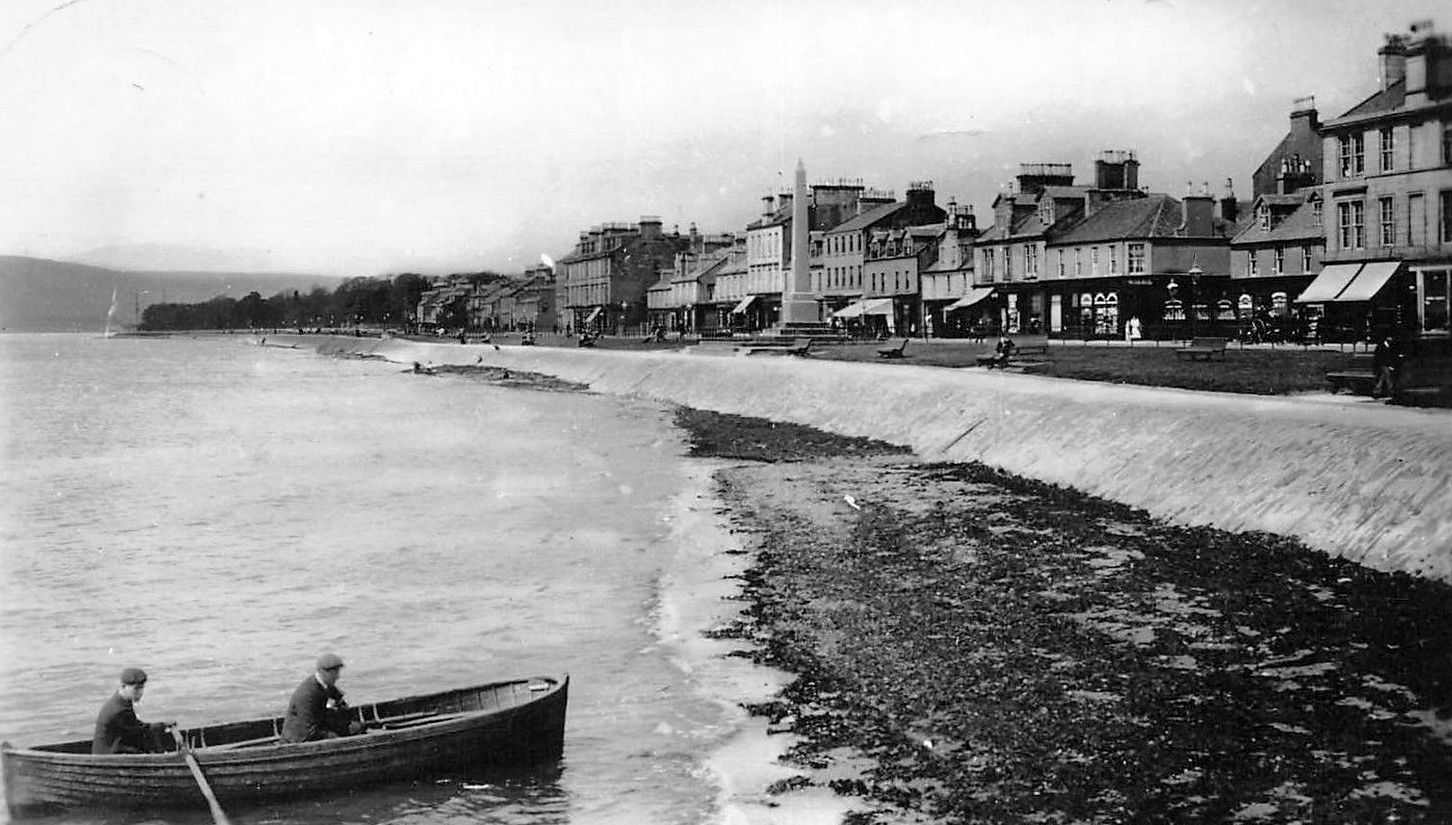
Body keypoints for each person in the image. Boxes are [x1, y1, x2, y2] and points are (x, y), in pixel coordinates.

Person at [280, 653, 365, 743]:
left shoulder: (328, 687)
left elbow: (341, 708)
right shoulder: (307, 694)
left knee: (357, 728)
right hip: (299, 738)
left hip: (320, 727)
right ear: (323, 672)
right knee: (335, 739)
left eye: (338, 672)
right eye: (334, 673)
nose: (338, 677)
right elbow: (308, 729)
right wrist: (335, 737)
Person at [93, 667, 174, 754]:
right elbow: (139, 731)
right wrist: (161, 726)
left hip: (111, 747)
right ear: (123, 687)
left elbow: (135, 726)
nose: (140, 692)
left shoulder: (120, 701)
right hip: (110, 755)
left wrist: (161, 726)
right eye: (136, 689)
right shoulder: (120, 710)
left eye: (141, 688)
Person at [1372, 334, 1404, 399]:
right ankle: (1390, 390)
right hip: (1383, 365)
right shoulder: (1381, 346)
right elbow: (1378, 357)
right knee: (1387, 376)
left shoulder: (1390, 346)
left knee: (1383, 378)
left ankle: (1377, 391)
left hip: (1386, 365)